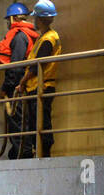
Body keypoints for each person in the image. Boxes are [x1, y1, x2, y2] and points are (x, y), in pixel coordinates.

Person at [15, 1, 62, 157]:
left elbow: (37, 67)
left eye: (35, 18)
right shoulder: (45, 37)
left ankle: (44, 155)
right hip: (37, 87)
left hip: (41, 87)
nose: (34, 21)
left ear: (40, 19)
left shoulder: (47, 39)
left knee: (41, 123)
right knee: (37, 123)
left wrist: (22, 82)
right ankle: (40, 153)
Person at [0, 4, 39, 160]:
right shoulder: (28, 35)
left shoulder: (19, 37)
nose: (8, 23)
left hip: (18, 87)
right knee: (23, 122)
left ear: (12, 18)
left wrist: (6, 88)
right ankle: (21, 152)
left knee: (19, 123)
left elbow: (15, 66)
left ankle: (23, 154)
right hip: (24, 85)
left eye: (8, 19)